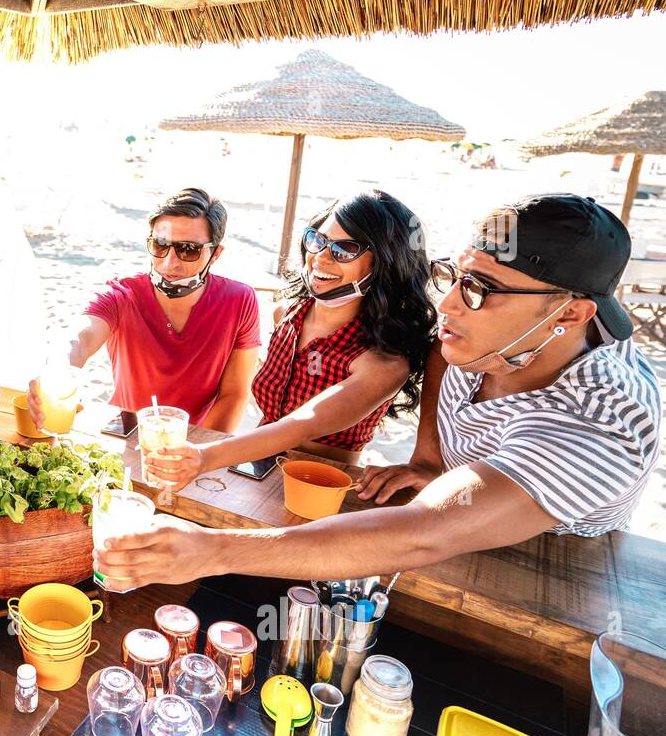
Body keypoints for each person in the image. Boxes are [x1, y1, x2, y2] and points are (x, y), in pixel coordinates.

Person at [96, 193, 660, 588]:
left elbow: (423, 534)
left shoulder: (603, 422)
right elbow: (440, 349)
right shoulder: (484, 331)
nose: (449, 306)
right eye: (456, 278)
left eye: (482, 290)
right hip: (408, 529)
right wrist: (429, 458)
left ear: (573, 312)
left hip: (549, 566)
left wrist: (212, 551)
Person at [143, 190, 437, 489]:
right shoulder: (285, 315)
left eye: (345, 249)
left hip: (318, 488)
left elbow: (303, 425)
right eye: (317, 240)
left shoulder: (384, 361)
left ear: (385, 262)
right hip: (253, 472)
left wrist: (204, 457)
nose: (321, 256)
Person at [26, 188, 260, 433]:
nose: (170, 263)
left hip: (200, 447)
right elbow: (78, 339)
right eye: (160, 245)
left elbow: (233, 395)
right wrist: (56, 369)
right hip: (125, 438)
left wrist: (199, 452)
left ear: (215, 254)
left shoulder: (240, 300)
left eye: (189, 249)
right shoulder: (121, 294)